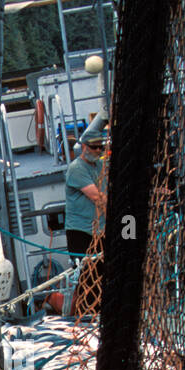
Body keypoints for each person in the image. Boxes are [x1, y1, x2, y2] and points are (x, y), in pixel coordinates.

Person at [62, 132, 107, 314]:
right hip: (80, 232)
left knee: (103, 275)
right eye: (94, 147)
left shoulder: (100, 165)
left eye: (100, 147)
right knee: (87, 280)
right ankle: (88, 318)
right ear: (84, 147)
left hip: (99, 232)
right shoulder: (77, 169)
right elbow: (97, 197)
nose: (98, 150)